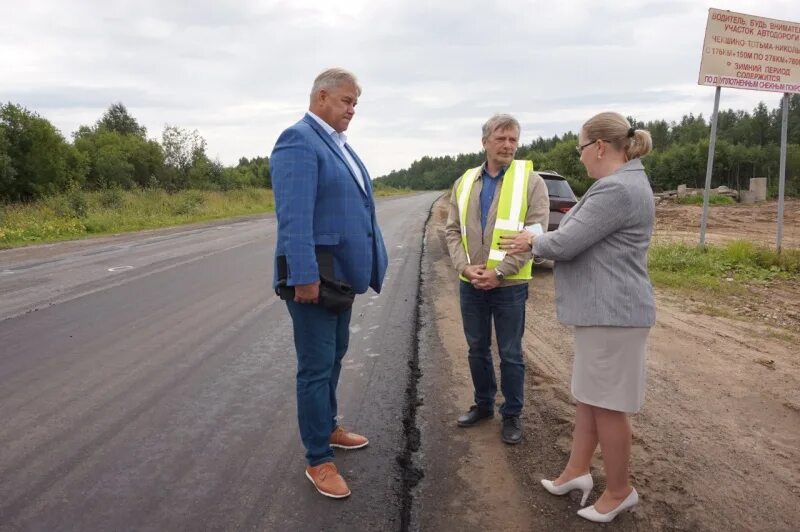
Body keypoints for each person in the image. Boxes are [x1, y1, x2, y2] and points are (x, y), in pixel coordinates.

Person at [500, 112, 655, 522]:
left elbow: (566, 243)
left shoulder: (617, 190)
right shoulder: (620, 184)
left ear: (600, 147)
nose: (581, 156)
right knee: (590, 398)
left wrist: (533, 239)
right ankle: (577, 471)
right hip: (605, 314)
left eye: (581, 147)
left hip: (614, 315)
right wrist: (539, 239)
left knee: (608, 405)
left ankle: (620, 490)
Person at [270, 68, 388, 499]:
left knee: (335, 355)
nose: (352, 110)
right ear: (321, 97)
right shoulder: (298, 140)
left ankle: (329, 425)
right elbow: (294, 218)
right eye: (346, 101)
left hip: (339, 278)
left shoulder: (339, 145)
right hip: (314, 280)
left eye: (355, 103)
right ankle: (318, 458)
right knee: (315, 367)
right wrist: (302, 277)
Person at [444, 114, 550, 444]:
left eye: (513, 140)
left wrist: (499, 272)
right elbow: (451, 231)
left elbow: (535, 234)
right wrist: (464, 268)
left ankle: (512, 414)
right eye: (501, 138)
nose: (508, 145)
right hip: (471, 283)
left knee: (510, 353)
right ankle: (484, 404)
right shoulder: (464, 181)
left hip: (510, 285)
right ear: (485, 141)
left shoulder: (531, 181)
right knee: (477, 348)